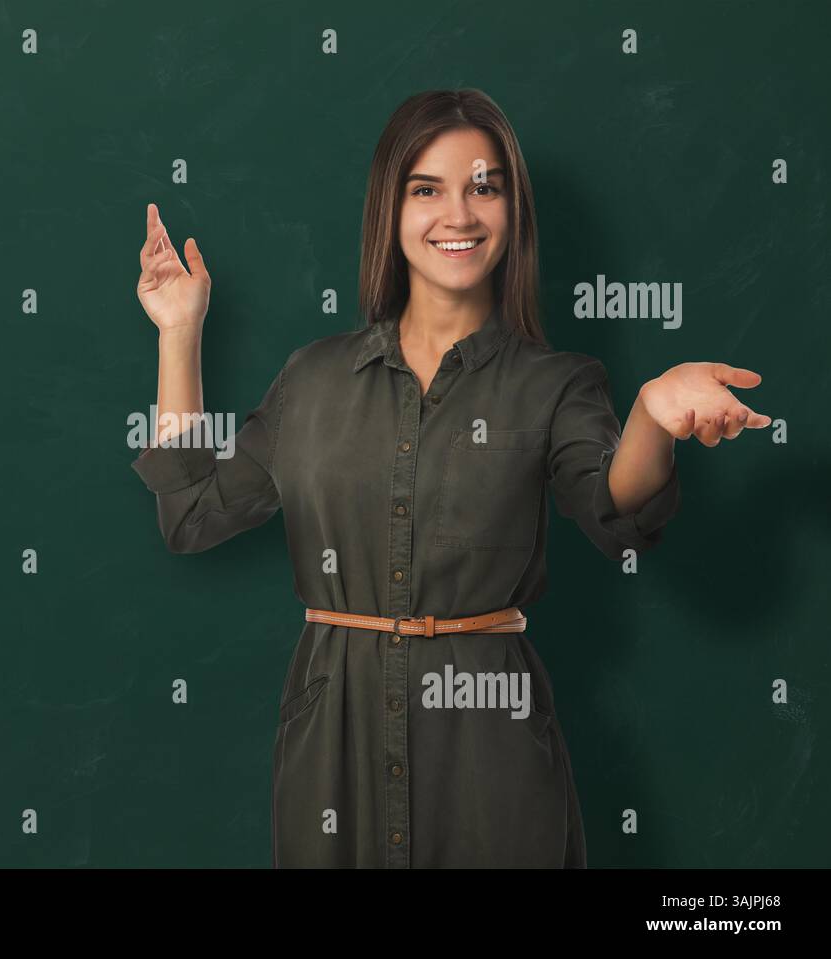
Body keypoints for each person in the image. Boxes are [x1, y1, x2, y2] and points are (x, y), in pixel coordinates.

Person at [128, 88, 770, 868]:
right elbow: (191, 511)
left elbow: (616, 507)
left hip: (489, 741)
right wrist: (180, 334)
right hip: (333, 741)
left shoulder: (558, 383)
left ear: (513, 209)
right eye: (427, 188)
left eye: (484, 186)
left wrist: (652, 417)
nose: (458, 215)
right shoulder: (314, 378)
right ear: (389, 212)